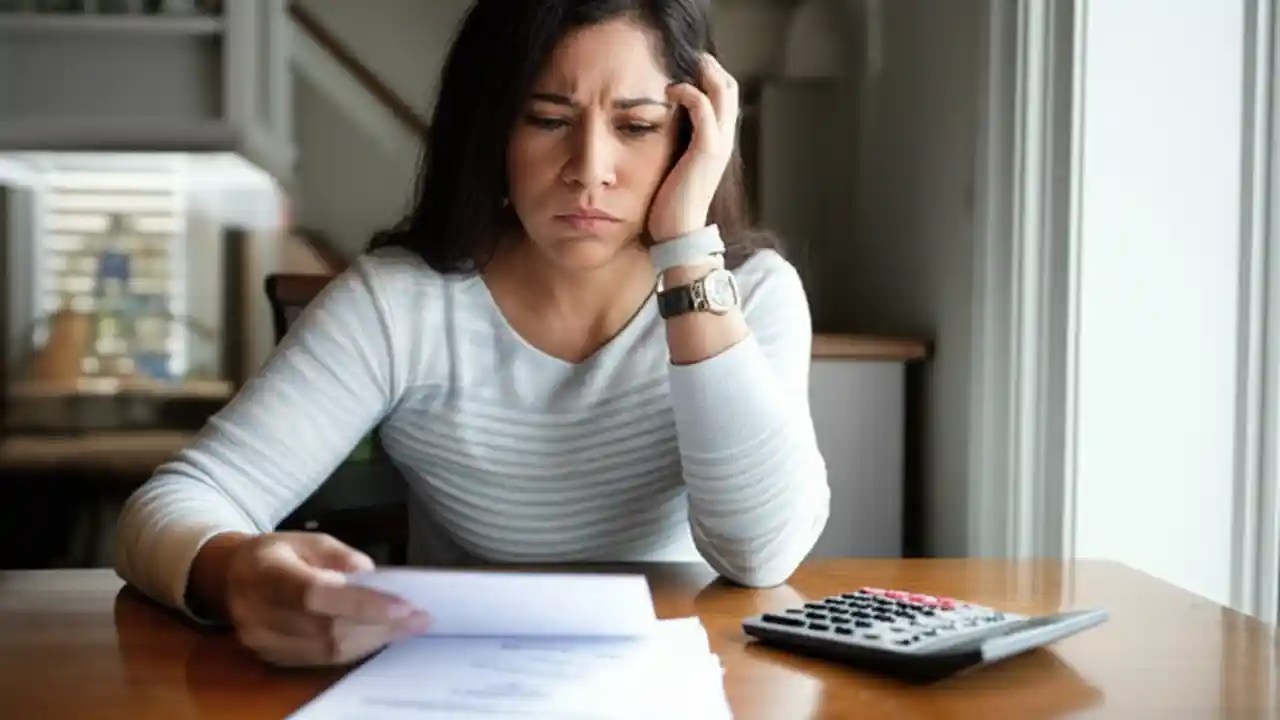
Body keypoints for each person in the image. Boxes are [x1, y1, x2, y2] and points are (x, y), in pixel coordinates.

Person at [115, 0, 830, 667]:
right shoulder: (400, 304)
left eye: (637, 126)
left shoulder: (754, 294)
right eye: (548, 119)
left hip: (682, 677)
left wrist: (686, 250)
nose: (590, 172)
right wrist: (236, 571)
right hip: (457, 678)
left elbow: (759, 555)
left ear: (691, 135)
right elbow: (172, 504)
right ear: (493, 132)